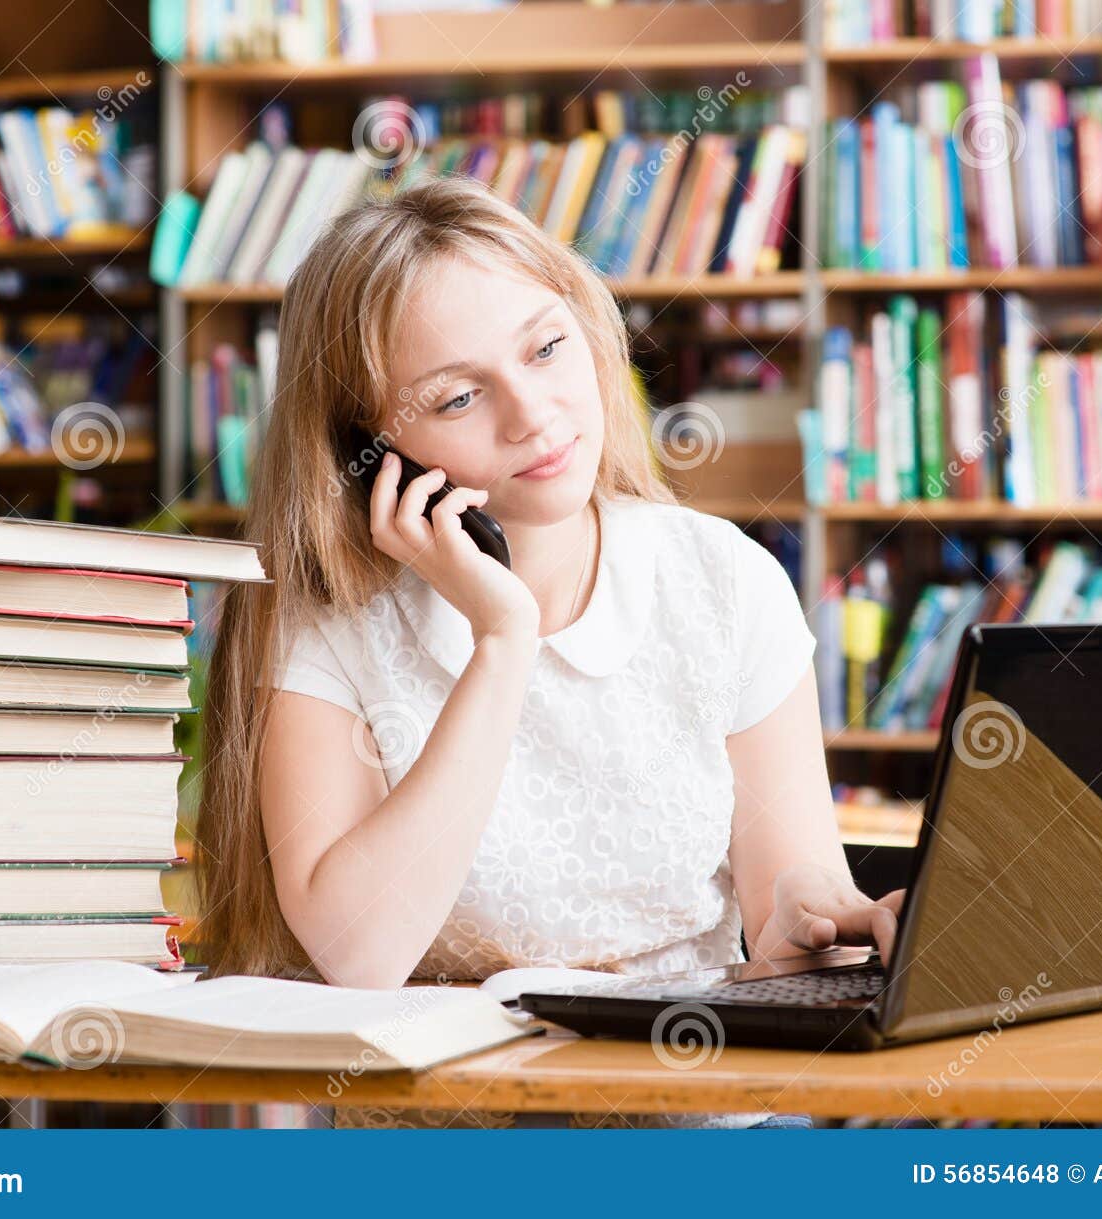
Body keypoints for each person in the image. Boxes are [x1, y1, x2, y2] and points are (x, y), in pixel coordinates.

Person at [194, 174, 904, 1128]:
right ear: (372, 446)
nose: (532, 414)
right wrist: (502, 638)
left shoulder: (722, 580)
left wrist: (817, 916)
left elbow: (793, 890)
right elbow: (361, 952)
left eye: (546, 346)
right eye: (456, 396)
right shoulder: (330, 620)